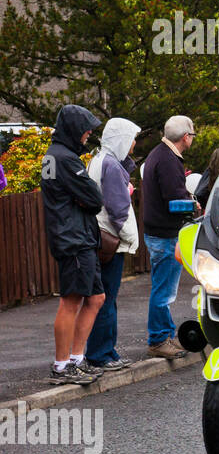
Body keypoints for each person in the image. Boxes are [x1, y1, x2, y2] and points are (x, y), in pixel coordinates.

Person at [40, 105, 106, 385]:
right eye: (85, 129)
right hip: (74, 238)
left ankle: (76, 360)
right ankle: (61, 366)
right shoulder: (65, 159)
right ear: (73, 129)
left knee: (95, 298)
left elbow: (86, 198)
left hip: (76, 235)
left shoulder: (53, 156)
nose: (88, 134)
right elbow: (94, 199)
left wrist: (83, 197)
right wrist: (85, 197)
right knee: (71, 301)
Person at [140, 115, 201, 359]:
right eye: (192, 135)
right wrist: (194, 205)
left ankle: (165, 334)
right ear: (186, 137)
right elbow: (174, 197)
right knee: (164, 290)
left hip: (156, 231)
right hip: (165, 234)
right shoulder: (168, 160)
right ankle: (158, 339)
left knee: (163, 287)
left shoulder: (158, 154)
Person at [86, 117, 142, 371]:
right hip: (111, 240)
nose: (134, 143)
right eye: (131, 138)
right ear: (121, 139)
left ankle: (105, 350)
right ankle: (102, 354)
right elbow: (119, 209)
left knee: (103, 297)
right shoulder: (110, 165)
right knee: (107, 298)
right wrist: (130, 237)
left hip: (98, 237)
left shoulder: (99, 159)